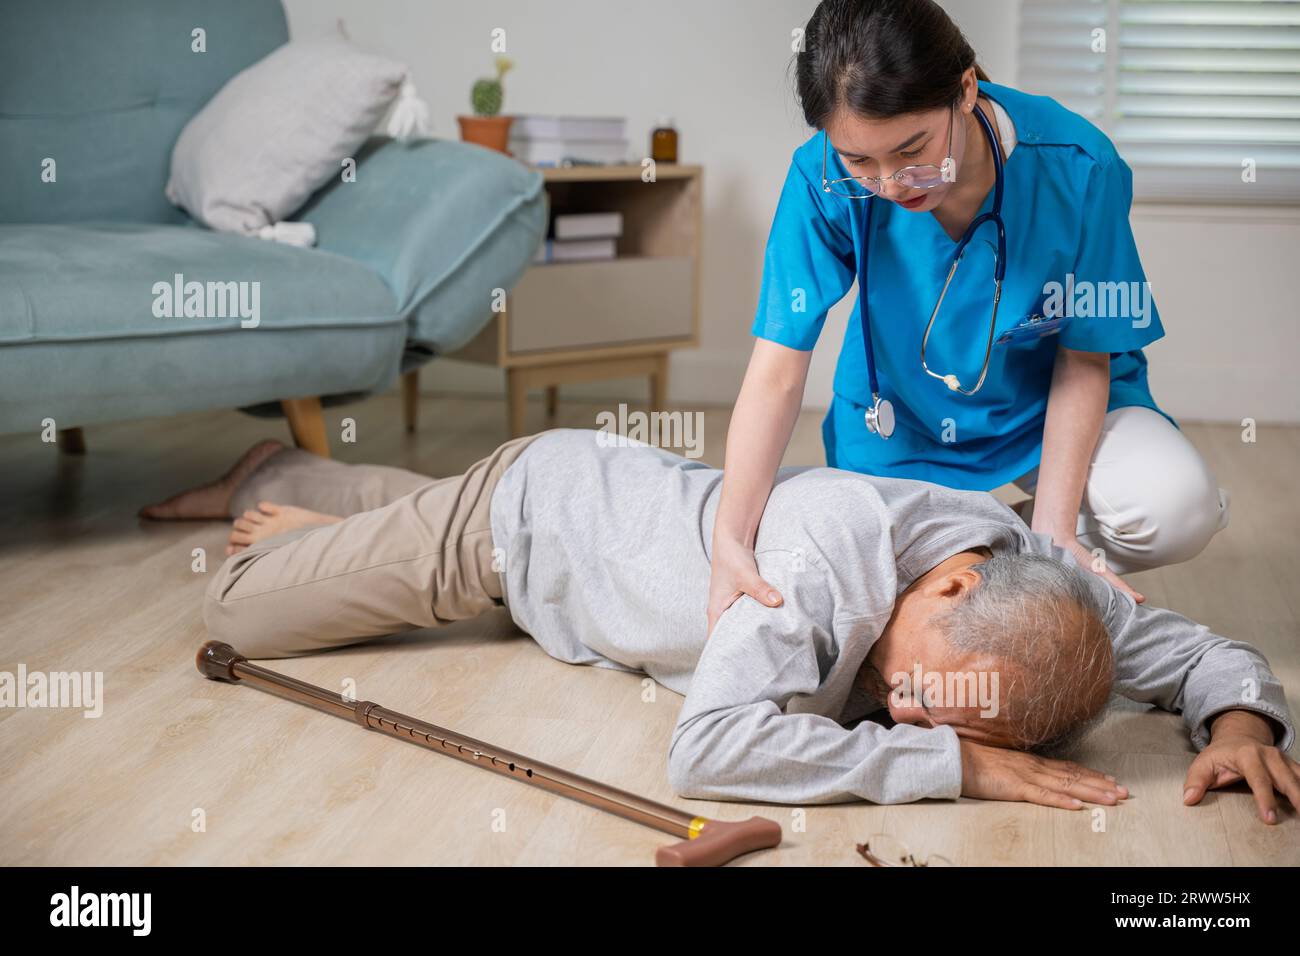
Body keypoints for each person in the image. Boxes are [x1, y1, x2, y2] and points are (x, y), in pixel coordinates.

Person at [141, 428, 1298, 821]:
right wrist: (945, 760)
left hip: (614, 522)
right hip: (520, 531)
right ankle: (283, 481)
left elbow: (1195, 651)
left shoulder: (1047, 582)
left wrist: (1240, 719)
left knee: (405, 527)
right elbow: (709, 743)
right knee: (237, 600)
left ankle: (335, 488)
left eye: (922, 710)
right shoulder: (822, 553)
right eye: (916, 687)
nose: (895, 706)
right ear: (944, 589)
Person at [707, 0, 1230, 639]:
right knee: (871, 593)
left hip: (1050, 415)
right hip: (901, 424)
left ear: (965, 87)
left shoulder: (1077, 163)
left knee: (1176, 507)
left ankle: (1007, 535)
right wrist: (730, 537)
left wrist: (1056, 539)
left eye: (912, 149)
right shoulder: (816, 178)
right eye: (859, 162)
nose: (892, 183)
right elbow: (778, 370)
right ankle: (985, 538)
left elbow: (1084, 356)